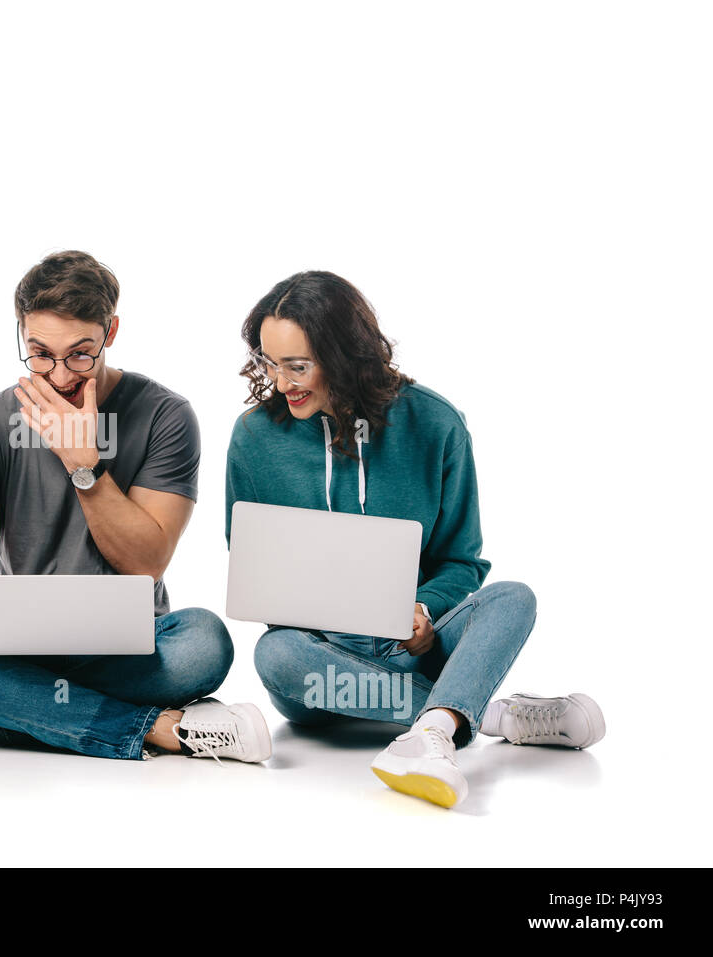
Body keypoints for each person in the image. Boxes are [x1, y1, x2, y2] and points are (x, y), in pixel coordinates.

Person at [227, 270, 604, 808]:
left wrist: (426, 610)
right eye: (269, 362)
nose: (282, 382)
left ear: (345, 354)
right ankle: (477, 713)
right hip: (319, 670)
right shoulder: (255, 438)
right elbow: (252, 565)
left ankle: (433, 728)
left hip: (420, 650)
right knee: (275, 654)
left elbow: (461, 560)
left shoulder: (436, 424)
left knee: (513, 597)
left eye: (298, 365)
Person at [0, 250, 271, 763]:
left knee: (205, 643)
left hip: (130, 647)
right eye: (40, 353)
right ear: (21, 335)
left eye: (81, 354)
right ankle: (155, 729)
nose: (60, 375)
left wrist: (83, 466)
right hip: (20, 644)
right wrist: (26, 610)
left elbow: (145, 563)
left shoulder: (166, 416)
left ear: (110, 332)